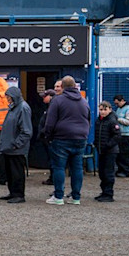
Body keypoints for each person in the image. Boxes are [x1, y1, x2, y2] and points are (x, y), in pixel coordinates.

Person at [42, 77, 91, 205]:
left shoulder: (58, 100)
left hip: (61, 138)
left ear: (63, 87)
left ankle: (58, 196)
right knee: (77, 168)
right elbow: (88, 120)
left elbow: (50, 122)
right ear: (75, 86)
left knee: (59, 167)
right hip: (80, 138)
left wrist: (48, 136)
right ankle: (76, 197)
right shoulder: (83, 101)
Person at [0, 86, 33, 204]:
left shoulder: (23, 108)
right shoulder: (14, 108)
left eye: (8, 97)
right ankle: (13, 192)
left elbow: (26, 131)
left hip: (16, 148)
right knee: (10, 172)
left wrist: (16, 144)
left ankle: (19, 194)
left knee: (17, 172)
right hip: (10, 147)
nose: (7, 99)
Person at [93, 101, 122, 203]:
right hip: (101, 150)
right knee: (102, 172)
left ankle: (108, 193)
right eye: (101, 109)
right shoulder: (99, 121)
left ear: (110, 109)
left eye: (105, 110)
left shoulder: (112, 121)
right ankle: (104, 192)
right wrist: (96, 143)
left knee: (108, 173)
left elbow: (117, 135)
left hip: (110, 151)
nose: (103, 112)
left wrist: (108, 145)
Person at [113, 94, 129, 178]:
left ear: (122, 101)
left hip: (126, 134)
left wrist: (118, 119)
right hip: (119, 133)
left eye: (117, 103)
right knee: (119, 153)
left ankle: (125, 170)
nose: (116, 105)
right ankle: (120, 169)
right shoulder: (119, 109)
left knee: (124, 153)